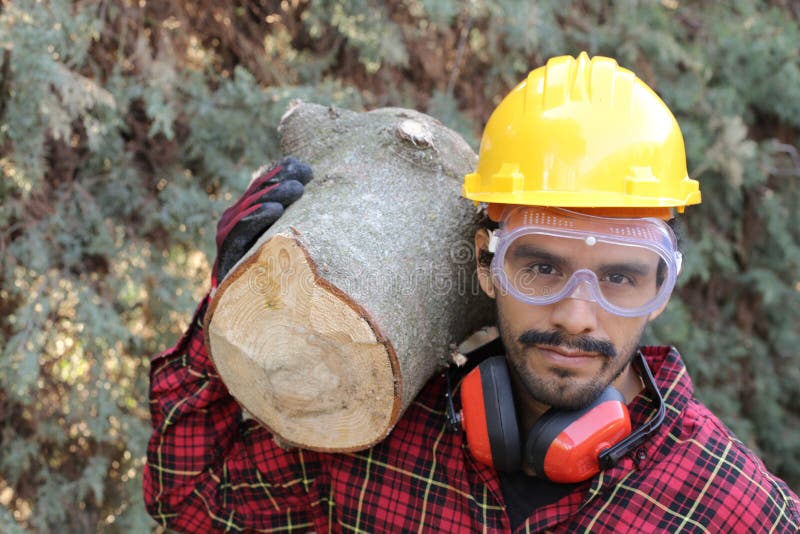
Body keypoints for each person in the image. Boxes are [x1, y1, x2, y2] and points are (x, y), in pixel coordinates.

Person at [143, 53, 800, 532]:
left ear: (662, 286)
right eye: (539, 266)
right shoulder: (382, 445)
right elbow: (192, 504)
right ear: (487, 265)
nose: (576, 315)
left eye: (621, 278)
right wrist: (233, 300)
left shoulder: (729, 508)